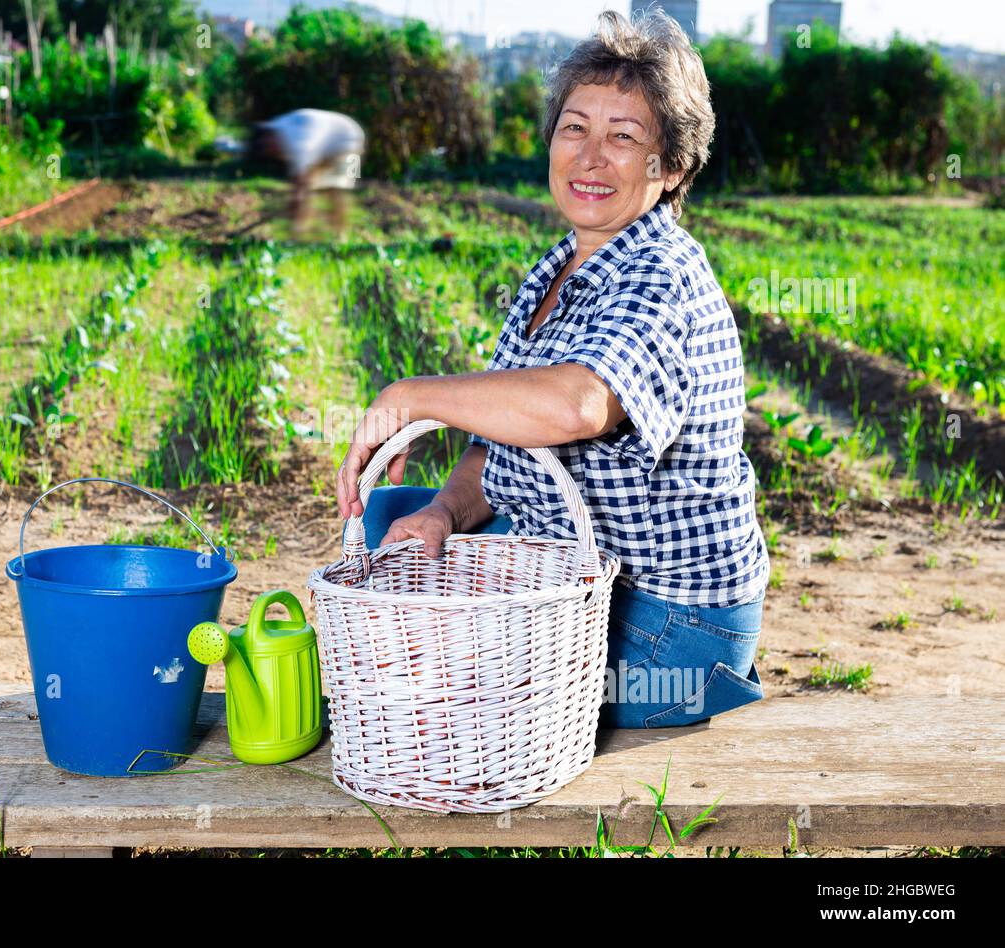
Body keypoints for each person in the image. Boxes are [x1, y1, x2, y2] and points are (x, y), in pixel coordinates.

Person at [333, 10, 770, 730]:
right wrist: (443, 512)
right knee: (394, 523)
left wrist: (411, 397)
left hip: (669, 629)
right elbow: (500, 447)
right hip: (583, 579)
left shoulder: (661, 272)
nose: (591, 156)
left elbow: (577, 406)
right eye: (575, 128)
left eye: (624, 137)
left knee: (431, 683)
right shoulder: (558, 267)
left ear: (674, 168)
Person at [251, 108, 365, 239]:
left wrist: (296, 199)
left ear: (270, 140)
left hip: (351, 138)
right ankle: (302, 232)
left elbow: (300, 185)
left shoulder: (298, 143)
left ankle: (340, 235)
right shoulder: (273, 128)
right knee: (308, 189)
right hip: (325, 142)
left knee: (336, 188)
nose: (271, 155)